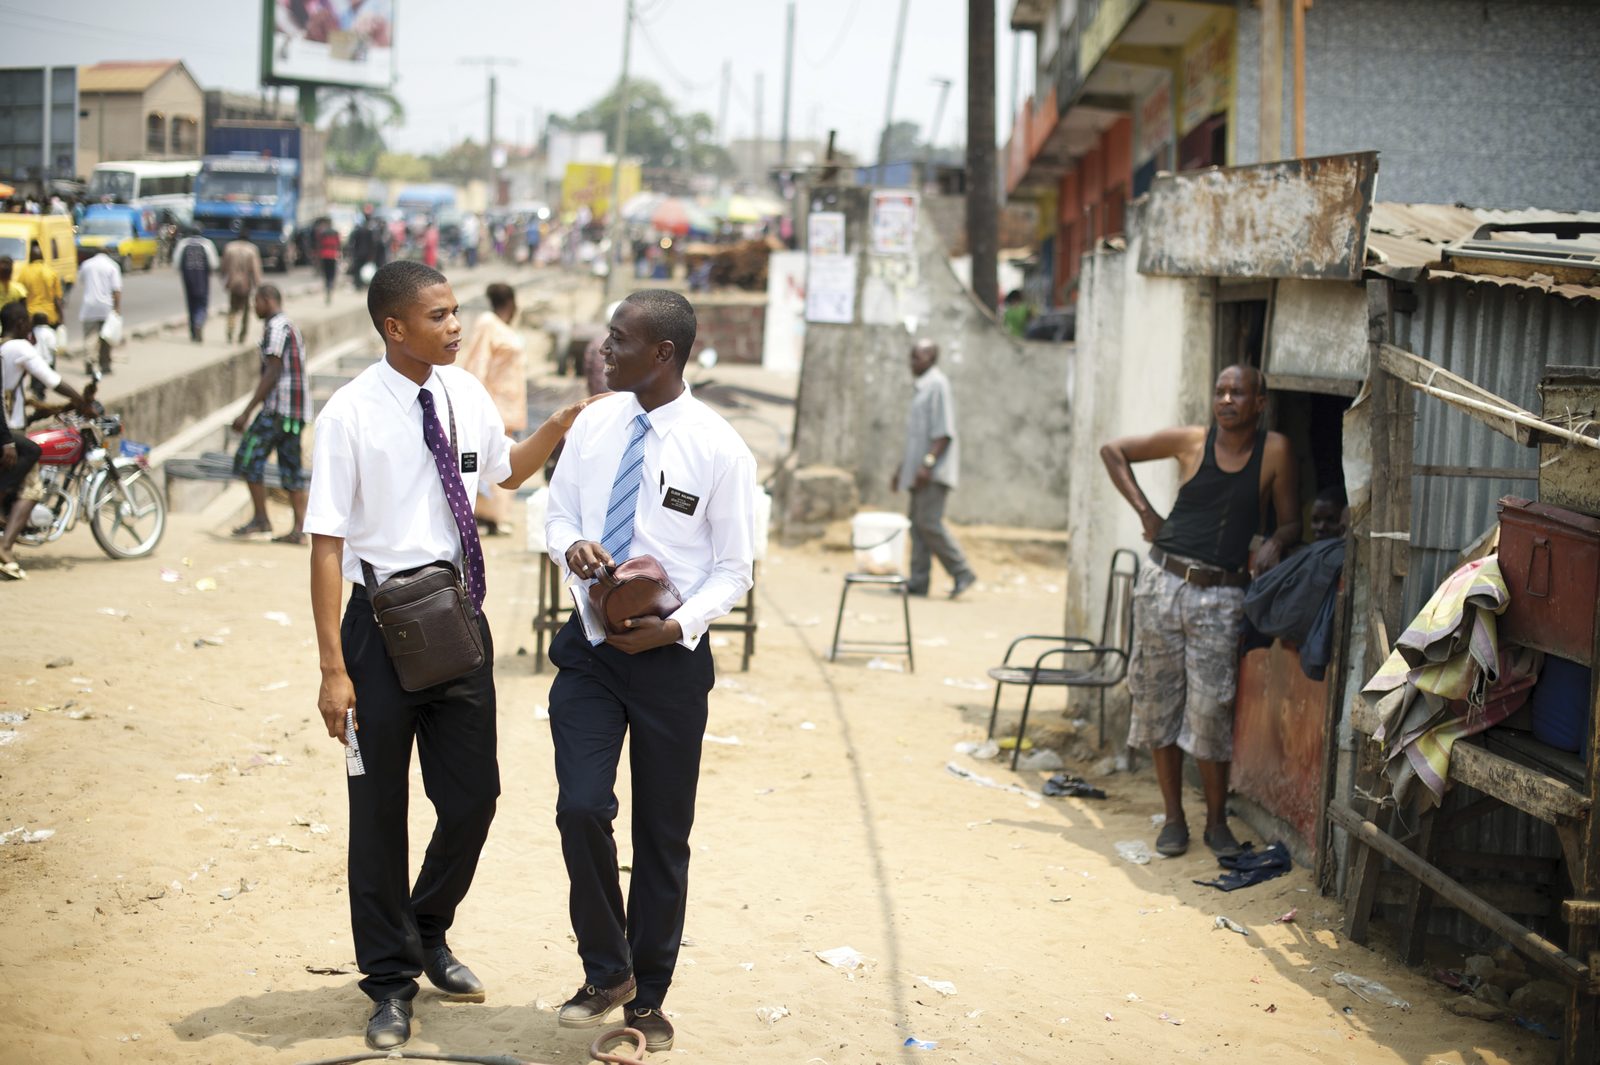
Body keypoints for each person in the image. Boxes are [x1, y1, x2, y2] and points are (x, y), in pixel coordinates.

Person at [304, 260, 605, 1051]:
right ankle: (391, 983)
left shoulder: (462, 393)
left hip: (457, 623)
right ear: (393, 327)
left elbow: (504, 470)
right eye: (437, 315)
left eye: (455, 310)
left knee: (474, 797)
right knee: (377, 816)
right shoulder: (350, 416)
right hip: (377, 628)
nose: (454, 324)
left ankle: (427, 926)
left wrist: (562, 424)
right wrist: (334, 669)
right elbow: (326, 547)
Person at [544, 290, 757, 1054]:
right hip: (591, 655)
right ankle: (608, 970)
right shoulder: (596, 422)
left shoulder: (719, 447)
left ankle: (648, 998)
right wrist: (571, 548)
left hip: (671, 662)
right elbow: (557, 509)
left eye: (619, 338)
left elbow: (735, 570)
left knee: (663, 835)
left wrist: (675, 625)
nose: (604, 347)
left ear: (662, 353)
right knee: (579, 806)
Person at [1099, 364, 1301, 859]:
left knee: (1211, 708)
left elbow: (1292, 521)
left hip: (1222, 595)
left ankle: (1215, 824)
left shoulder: (1275, 451)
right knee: (1157, 702)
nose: (1226, 399)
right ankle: (1173, 819)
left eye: (1238, 393)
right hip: (1163, 582)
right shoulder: (1192, 440)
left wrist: (1277, 538)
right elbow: (1113, 451)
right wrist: (1146, 514)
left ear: (1260, 403)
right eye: (1220, 391)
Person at [0, 301, 91, 580]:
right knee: (33, 488)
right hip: (9, 431)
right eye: (28, 322)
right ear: (21, 325)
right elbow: (51, 379)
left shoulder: (2, 348)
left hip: (10, 426)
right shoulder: (21, 348)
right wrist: (80, 400)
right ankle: (5, 550)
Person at [229, 285, 314, 543]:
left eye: (256, 302)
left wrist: (247, 412)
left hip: (278, 409)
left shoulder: (276, 328)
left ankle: (261, 520)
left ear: (267, 300)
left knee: (246, 458)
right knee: (291, 466)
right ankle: (299, 529)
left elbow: (273, 371)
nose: (254, 308)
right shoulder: (290, 326)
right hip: (295, 412)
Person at [891, 339, 976, 598]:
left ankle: (961, 571)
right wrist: (902, 469)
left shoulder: (937, 385)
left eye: (917, 357)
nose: (912, 362)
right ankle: (918, 581)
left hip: (932, 472)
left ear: (930, 358)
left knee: (929, 523)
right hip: (917, 471)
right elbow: (917, 437)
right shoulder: (921, 388)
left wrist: (927, 464)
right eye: (911, 357)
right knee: (917, 525)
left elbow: (943, 432)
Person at [459, 283, 527, 535]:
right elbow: (479, 362)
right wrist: (470, 401)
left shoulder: (505, 328)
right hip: (494, 402)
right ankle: (487, 514)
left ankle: (497, 514)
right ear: (511, 303)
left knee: (506, 456)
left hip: (512, 405)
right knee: (490, 456)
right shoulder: (487, 323)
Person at [76, 244, 121, 376]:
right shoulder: (112, 265)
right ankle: (105, 365)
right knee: (107, 337)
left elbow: (82, 280)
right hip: (106, 307)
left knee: (90, 337)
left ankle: (89, 361)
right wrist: (117, 308)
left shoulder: (86, 265)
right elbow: (116, 290)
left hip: (89, 306)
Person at [173, 233, 219, 342]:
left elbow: (176, 262)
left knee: (191, 304)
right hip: (202, 278)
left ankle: (193, 331)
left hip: (188, 278)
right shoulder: (206, 244)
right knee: (202, 303)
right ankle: (199, 322)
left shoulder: (183, 244)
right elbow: (213, 263)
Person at [221, 233, 263, 344]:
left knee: (232, 309)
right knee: (246, 312)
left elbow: (224, 266)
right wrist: (258, 284)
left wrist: (223, 277)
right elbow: (255, 269)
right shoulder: (252, 250)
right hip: (246, 285)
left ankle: (230, 330)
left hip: (233, 284)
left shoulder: (230, 248)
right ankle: (242, 335)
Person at [16, 244, 62, 329]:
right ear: (42, 257)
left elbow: (20, 297)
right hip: (50, 317)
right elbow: (57, 299)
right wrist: (61, 316)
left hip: (31, 317)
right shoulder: (51, 272)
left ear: (30, 257)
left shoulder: (24, 273)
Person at [318, 220, 342, 304]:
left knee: (326, 274)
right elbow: (338, 244)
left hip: (324, 255)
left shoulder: (323, 233)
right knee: (332, 274)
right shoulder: (335, 233)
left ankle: (327, 287)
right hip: (333, 256)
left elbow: (320, 244)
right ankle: (330, 288)